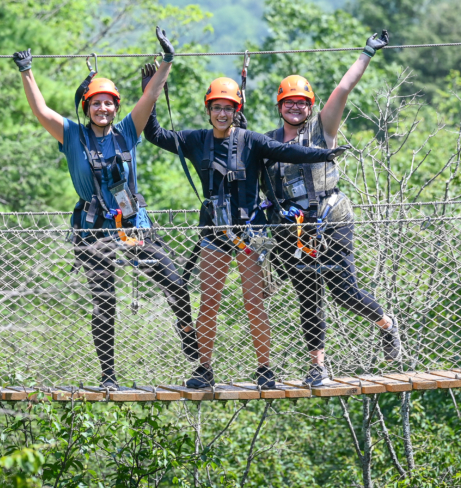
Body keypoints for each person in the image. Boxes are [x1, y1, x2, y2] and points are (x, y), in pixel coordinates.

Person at [12, 29, 199, 391]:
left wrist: (167, 61)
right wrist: (27, 72)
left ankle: (186, 331)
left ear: (115, 107)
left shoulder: (127, 131)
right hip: (94, 227)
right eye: (96, 103)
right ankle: (108, 375)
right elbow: (41, 111)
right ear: (87, 108)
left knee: (174, 281)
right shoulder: (71, 135)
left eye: (109, 103)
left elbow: (150, 97)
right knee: (104, 302)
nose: (103, 109)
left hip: (132, 223)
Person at [142, 71, 348, 390]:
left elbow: (287, 151)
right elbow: (154, 134)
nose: (222, 114)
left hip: (250, 231)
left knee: (254, 302)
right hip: (214, 231)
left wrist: (324, 154)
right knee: (209, 302)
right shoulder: (196, 140)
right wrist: (151, 92)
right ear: (208, 110)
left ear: (236, 110)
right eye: (216, 108)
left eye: (228, 108)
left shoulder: (251, 141)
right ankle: (204, 369)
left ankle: (264, 369)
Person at [260, 30, 402, 388]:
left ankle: (386, 323)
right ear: (280, 106)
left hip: (331, 220)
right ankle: (318, 366)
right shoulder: (267, 143)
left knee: (343, 292)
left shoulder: (322, 130)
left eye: (302, 103)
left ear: (310, 106)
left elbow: (343, 89)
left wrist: (367, 52)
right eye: (289, 102)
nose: (295, 107)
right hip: (291, 230)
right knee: (308, 297)